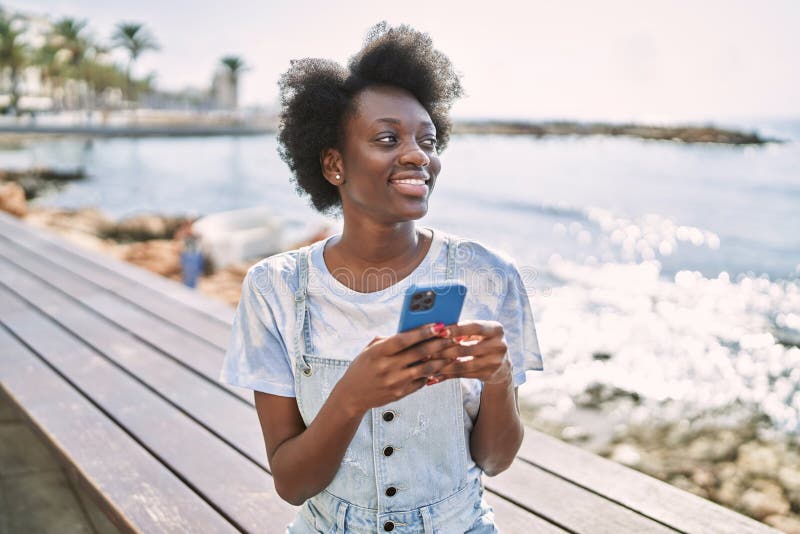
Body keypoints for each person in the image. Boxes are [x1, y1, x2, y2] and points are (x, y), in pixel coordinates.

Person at [219, 22, 543, 533]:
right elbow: (292, 484)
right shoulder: (274, 288)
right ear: (333, 165)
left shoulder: (489, 275)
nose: (419, 155)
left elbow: (496, 461)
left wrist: (499, 377)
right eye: (388, 138)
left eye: (427, 140)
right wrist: (353, 395)